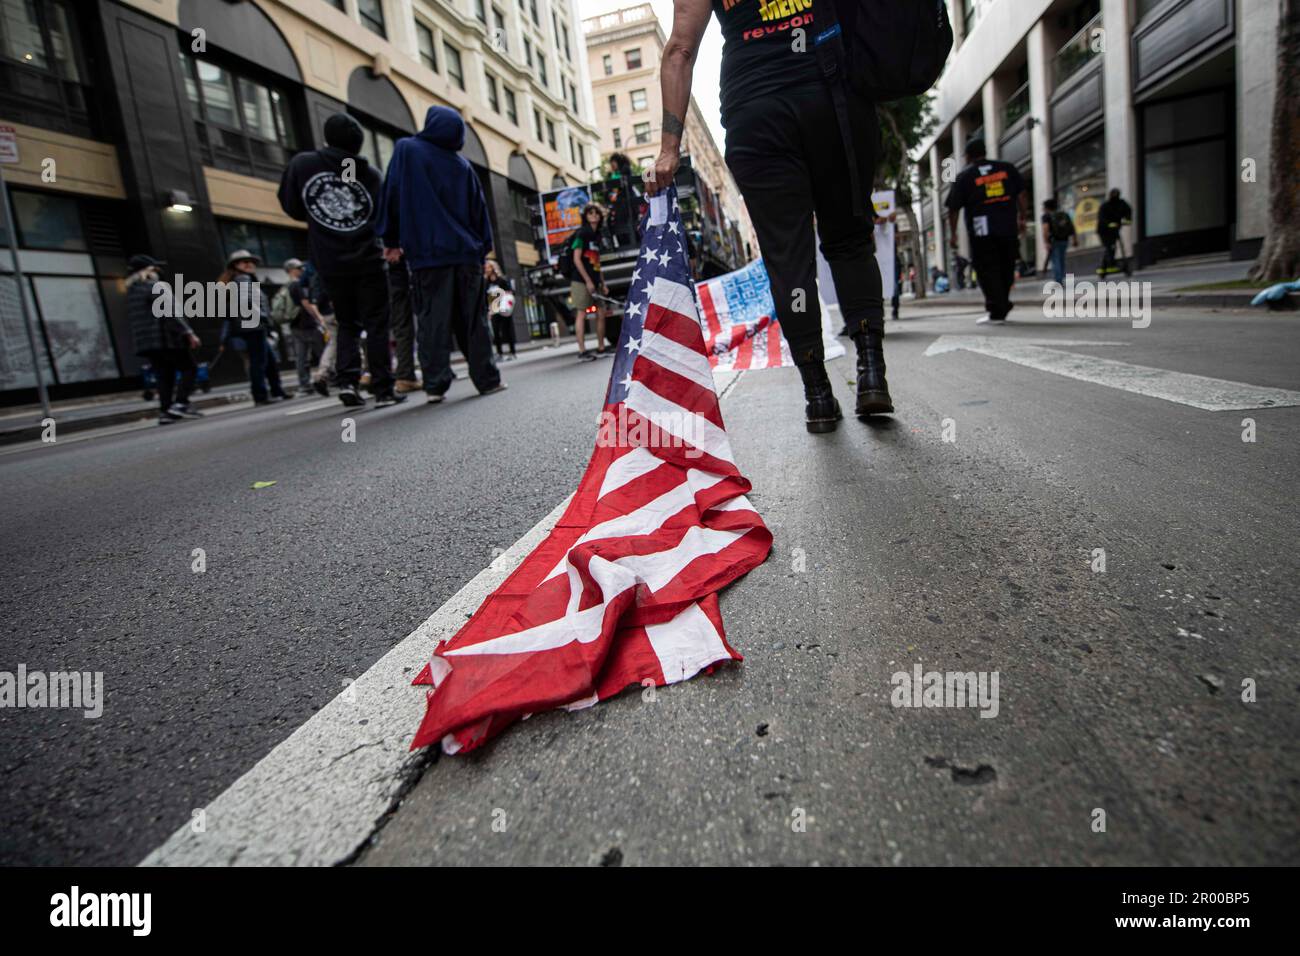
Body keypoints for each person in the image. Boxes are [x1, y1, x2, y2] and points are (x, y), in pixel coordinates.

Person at [647, 0, 891, 432]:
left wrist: (669, 149)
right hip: (830, 92)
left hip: (755, 111)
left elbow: (680, 49)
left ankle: (817, 395)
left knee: (786, 257)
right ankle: (872, 374)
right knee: (850, 237)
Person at [376, 105, 504, 403]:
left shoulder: (407, 150)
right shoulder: (462, 165)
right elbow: (479, 211)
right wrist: (483, 249)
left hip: (428, 254)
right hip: (467, 254)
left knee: (433, 319)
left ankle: (436, 384)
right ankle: (487, 379)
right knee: (473, 320)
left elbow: (393, 194)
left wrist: (391, 239)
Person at [278, 112, 402, 407]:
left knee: (347, 322)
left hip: (330, 260)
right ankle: (382, 388)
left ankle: (348, 381)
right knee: (376, 323)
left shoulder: (304, 165)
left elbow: (292, 205)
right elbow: (385, 218)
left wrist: (320, 221)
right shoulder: (369, 175)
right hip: (367, 258)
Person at [946, 138, 1028, 325]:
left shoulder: (965, 176)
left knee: (986, 269)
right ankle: (1001, 304)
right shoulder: (1006, 169)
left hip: (981, 230)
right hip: (1007, 226)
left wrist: (953, 234)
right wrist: (1023, 217)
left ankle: (996, 308)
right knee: (1006, 265)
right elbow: (1021, 193)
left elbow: (953, 209)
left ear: (968, 156)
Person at [126, 254, 201, 425]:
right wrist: (188, 332)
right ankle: (181, 403)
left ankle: (166, 410)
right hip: (166, 338)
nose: (158, 271)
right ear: (148, 271)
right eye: (154, 268)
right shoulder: (156, 286)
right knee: (190, 369)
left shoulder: (132, 292)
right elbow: (170, 312)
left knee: (164, 375)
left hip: (147, 343)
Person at [569, 203, 609, 361]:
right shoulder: (581, 234)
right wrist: (587, 281)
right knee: (581, 313)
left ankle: (601, 347)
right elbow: (576, 259)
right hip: (580, 281)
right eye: (590, 213)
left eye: (597, 213)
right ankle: (582, 351)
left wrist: (602, 282)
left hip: (596, 280)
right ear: (585, 216)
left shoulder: (597, 235)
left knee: (601, 312)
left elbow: (597, 262)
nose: (594, 215)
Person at [484, 259, 517, 361]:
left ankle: (512, 352)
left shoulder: (501, 280)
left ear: (494, 268)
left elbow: (510, 292)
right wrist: (488, 310)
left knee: (507, 330)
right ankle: (499, 353)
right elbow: (485, 297)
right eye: (486, 268)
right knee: (496, 332)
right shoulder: (486, 283)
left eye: (489, 267)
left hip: (503, 308)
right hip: (494, 310)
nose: (487, 269)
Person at [1097, 188, 1133, 277]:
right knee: (1110, 247)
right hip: (1104, 231)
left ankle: (1105, 267)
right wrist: (1108, 224)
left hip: (1115, 229)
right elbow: (1101, 217)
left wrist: (1128, 219)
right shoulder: (1105, 206)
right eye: (1113, 194)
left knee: (1112, 247)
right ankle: (1109, 265)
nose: (1115, 196)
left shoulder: (1121, 203)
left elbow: (1128, 211)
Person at [1041, 198, 1077, 285]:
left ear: (1047, 207)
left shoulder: (1046, 216)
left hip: (1054, 241)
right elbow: (1072, 227)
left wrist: (1046, 242)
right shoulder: (1064, 214)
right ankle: (1061, 279)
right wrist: (1075, 239)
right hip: (1064, 240)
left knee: (1055, 261)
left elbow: (1045, 229)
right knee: (1061, 260)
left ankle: (1058, 280)